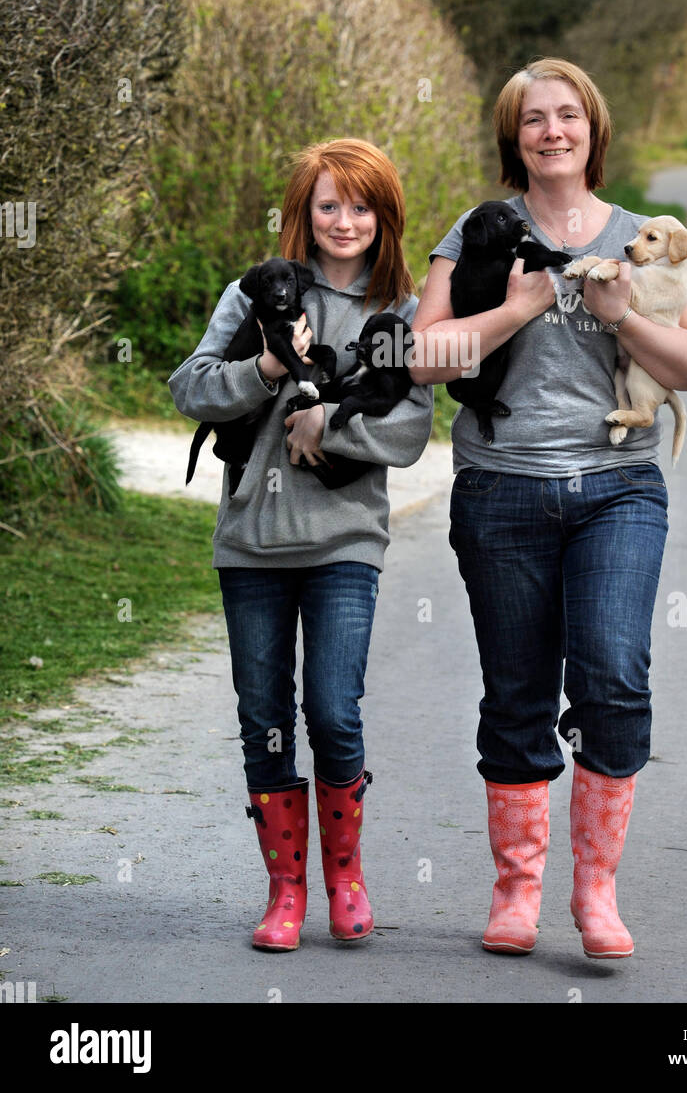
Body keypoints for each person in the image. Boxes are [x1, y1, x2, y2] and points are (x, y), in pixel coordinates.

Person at [410, 58, 687, 959]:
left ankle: (594, 890)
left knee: (613, 677)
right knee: (516, 693)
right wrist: (516, 308)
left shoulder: (642, 237)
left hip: (617, 487)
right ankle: (515, 890)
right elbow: (422, 358)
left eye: (567, 115)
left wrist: (620, 316)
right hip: (501, 490)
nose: (551, 131)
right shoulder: (476, 231)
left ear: (593, 129)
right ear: (514, 138)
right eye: (532, 118)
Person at [168, 139, 433, 951]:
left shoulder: (401, 309)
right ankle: (284, 892)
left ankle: (344, 877)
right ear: (302, 214)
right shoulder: (253, 293)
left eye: (360, 206)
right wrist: (266, 366)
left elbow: (410, 427)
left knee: (331, 708)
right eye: (327, 205)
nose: (343, 221)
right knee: (264, 718)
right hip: (251, 540)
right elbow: (191, 387)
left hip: (344, 539)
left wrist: (332, 427)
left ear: (383, 216)